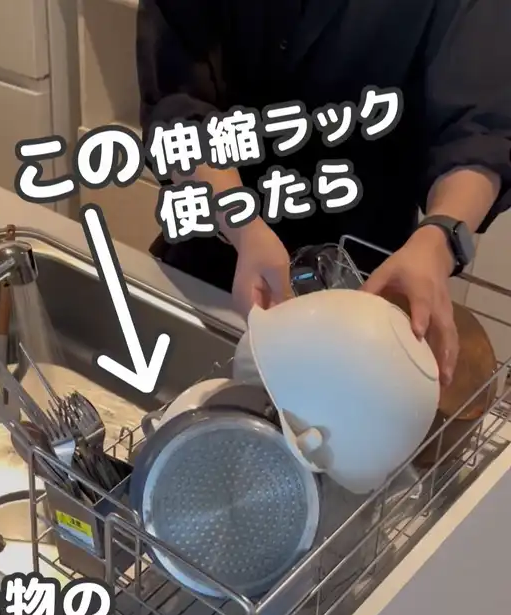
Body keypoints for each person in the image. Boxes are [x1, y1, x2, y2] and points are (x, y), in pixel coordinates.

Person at [137, 0, 511, 385]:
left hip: (366, 291)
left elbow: (478, 131)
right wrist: (242, 226)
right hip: (212, 266)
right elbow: (177, 109)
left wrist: (438, 240)